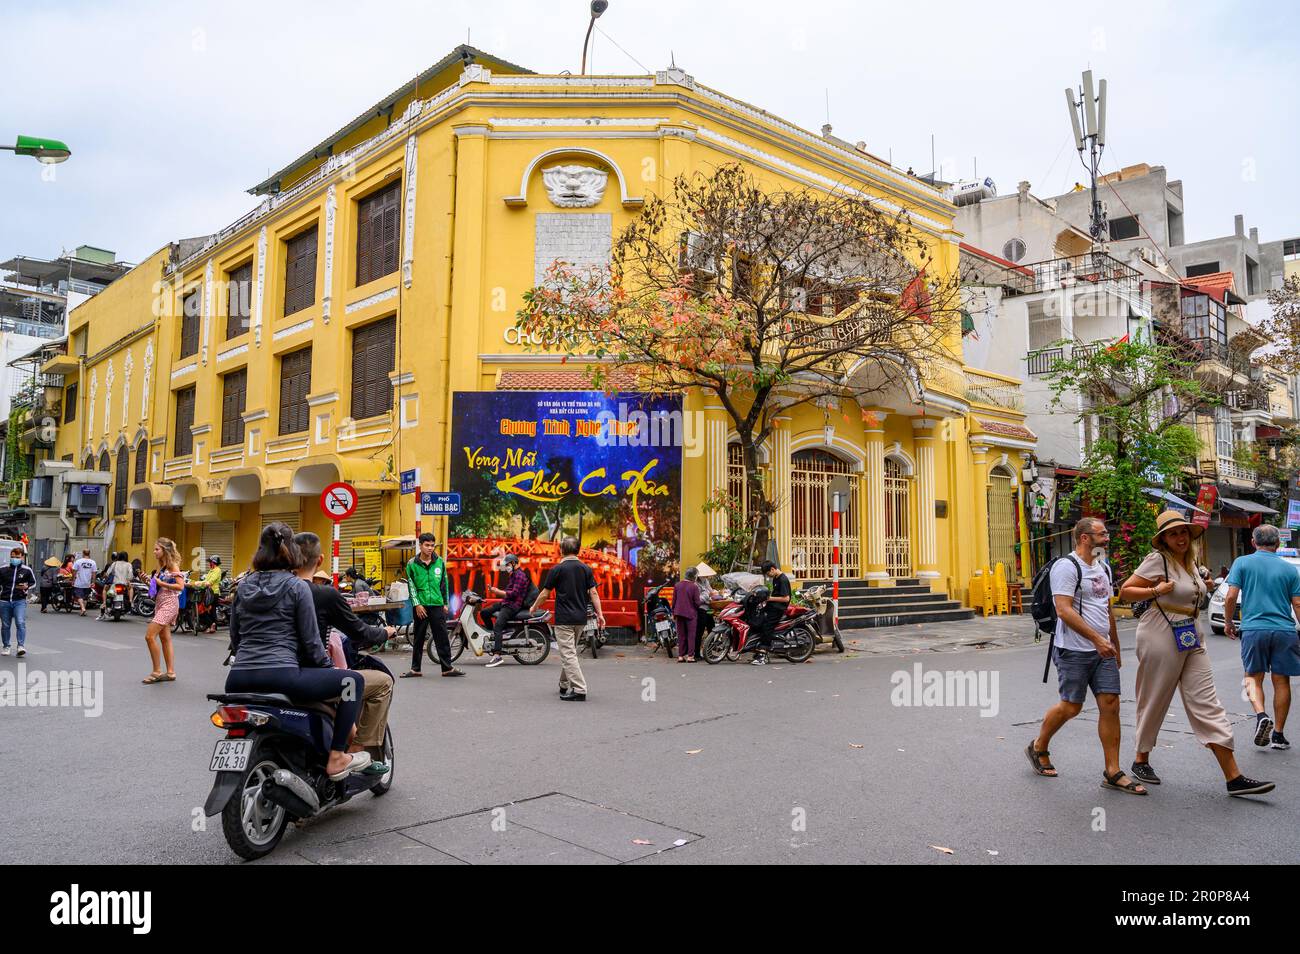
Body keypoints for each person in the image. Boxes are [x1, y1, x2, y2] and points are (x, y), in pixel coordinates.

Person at [1119, 511, 1275, 797]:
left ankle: (1233, 777)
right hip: (1160, 630)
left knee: (1207, 701)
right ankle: (1141, 758)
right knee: (1155, 697)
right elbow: (1126, 591)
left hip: (1191, 633)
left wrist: (1205, 587)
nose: (1179, 537)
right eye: (1172, 533)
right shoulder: (1158, 560)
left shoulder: (1191, 563)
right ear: (1164, 539)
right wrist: (1156, 589)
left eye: (1183, 532)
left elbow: (1193, 594)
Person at [226, 523, 370, 780]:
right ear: (291, 551)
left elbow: (235, 638)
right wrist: (326, 670)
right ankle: (337, 756)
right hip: (283, 675)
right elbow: (312, 643)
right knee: (353, 681)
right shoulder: (297, 587)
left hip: (238, 678)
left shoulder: (244, 587)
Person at [1026, 518, 1147, 794]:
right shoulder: (1066, 567)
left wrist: (1112, 643)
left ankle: (1113, 771)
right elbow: (1064, 610)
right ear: (1084, 538)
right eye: (1102, 534)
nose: (1107, 537)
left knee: (1111, 704)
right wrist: (1096, 639)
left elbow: (1106, 607)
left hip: (1102, 650)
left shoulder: (1102, 566)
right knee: (1071, 707)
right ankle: (1038, 746)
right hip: (1074, 649)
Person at [293, 532, 395, 775]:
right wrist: (386, 632)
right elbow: (360, 632)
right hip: (306, 677)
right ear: (320, 560)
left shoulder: (263, 592)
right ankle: (352, 753)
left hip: (253, 674)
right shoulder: (320, 595)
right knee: (375, 683)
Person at [1223, 523, 1300, 751]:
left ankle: (1261, 716)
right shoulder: (1289, 570)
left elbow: (1230, 597)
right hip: (1285, 631)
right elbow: (1297, 603)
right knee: (1281, 681)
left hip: (1254, 629)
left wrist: (1228, 622)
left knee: (1252, 677)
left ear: (1253, 542)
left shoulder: (1243, 562)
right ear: (1277, 544)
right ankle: (1278, 734)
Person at [531, 535, 604, 701]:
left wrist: (534, 607)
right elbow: (593, 592)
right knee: (569, 653)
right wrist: (600, 614)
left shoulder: (557, 569)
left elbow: (545, 593)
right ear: (577, 550)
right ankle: (564, 684)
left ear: (561, 550)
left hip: (564, 619)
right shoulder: (586, 569)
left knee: (568, 654)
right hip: (580, 619)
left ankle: (579, 689)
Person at [403, 532, 462, 678]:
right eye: (427, 545)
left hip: (437, 604)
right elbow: (411, 587)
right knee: (418, 637)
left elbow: (444, 584)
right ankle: (415, 669)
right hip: (421, 606)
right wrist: (417, 604)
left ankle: (447, 668)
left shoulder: (440, 562)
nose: (430, 548)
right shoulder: (412, 564)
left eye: (432, 545)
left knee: (442, 637)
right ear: (420, 545)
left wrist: (445, 603)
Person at [142, 540, 185, 684]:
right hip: (161, 603)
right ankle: (171, 672)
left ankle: (157, 671)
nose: (154, 552)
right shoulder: (162, 567)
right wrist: (147, 581)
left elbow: (180, 586)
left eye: (156, 549)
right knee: (165, 639)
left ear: (164, 550)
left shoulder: (172, 565)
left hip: (169, 604)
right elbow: (158, 589)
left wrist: (161, 583)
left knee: (149, 636)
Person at [484, 553, 530, 667]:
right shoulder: (513, 574)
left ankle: (497, 655)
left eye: (508, 564)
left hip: (512, 605)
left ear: (514, 563)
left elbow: (514, 594)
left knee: (498, 626)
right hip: (506, 602)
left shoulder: (520, 575)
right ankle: (494, 637)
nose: (506, 567)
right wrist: (495, 590)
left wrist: (498, 592)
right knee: (484, 612)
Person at [750, 561, 792, 666]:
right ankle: (757, 648)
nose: (768, 576)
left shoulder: (783, 579)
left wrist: (769, 598)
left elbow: (786, 598)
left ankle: (764, 654)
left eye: (768, 573)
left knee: (767, 627)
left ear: (773, 569)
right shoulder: (776, 578)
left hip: (779, 609)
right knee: (757, 620)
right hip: (773, 606)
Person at [0, 548, 35, 657]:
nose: (14, 559)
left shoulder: (27, 570)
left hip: (19, 601)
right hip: (4, 600)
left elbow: (33, 583)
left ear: (22, 557)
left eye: (17, 557)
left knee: (20, 622)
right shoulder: (3, 569)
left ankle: (21, 646)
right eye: (13, 557)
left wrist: (26, 586)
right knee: (5, 625)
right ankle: (6, 646)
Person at [672, 568, 703, 663]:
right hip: (691, 614)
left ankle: (681, 656)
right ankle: (690, 656)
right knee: (691, 635)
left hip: (679, 613)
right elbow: (697, 603)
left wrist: (673, 612)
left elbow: (674, 601)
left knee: (681, 635)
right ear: (694, 576)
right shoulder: (694, 587)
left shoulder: (677, 585)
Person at [97, 552, 134, 620]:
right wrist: (128, 580)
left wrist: (105, 577)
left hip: (115, 584)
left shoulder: (115, 563)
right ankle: (131, 601)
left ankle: (104, 603)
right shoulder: (129, 564)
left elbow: (107, 573)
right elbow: (131, 575)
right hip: (124, 584)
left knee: (105, 589)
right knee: (131, 588)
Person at [196, 555, 224, 633]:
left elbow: (210, 581)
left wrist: (201, 583)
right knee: (210, 610)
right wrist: (198, 583)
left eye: (210, 562)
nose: (209, 564)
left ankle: (212, 625)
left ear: (213, 562)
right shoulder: (211, 570)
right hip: (208, 592)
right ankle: (211, 626)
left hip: (213, 593)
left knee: (208, 609)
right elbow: (206, 580)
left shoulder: (217, 570)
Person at [71, 549, 98, 617]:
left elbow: (74, 571)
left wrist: (73, 580)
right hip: (87, 583)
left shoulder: (78, 561)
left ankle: (82, 608)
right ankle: (83, 610)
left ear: (83, 553)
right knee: (85, 597)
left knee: (79, 596)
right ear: (89, 553)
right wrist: (93, 582)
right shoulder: (93, 562)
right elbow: (94, 573)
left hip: (79, 582)